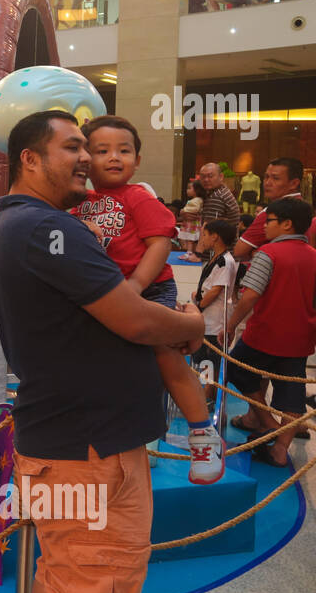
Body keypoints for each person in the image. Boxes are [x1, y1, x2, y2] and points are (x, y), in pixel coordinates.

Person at [0, 110, 204, 593]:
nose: (87, 157)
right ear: (29, 160)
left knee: (63, 578)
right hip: (87, 454)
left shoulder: (31, 223)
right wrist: (192, 325)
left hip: (68, 445)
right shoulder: (47, 228)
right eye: (71, 148)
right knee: (81, 589)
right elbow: (135, 320)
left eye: (88, 146)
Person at [74, 115, 224, 484]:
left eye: (124, 151)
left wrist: (138, 285)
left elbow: (160, 244)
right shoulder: (80, 202)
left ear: (137, 160)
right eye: (102, 150)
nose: (114, 157)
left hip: (148, 288)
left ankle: (203, 434)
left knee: (165, 355)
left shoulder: (138, 196)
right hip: (109, 294)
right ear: (84, 158)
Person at [225, 199, 316, 467]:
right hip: (300, 337)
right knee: (291, 392)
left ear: (286, 224)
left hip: (265, 333)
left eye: (269, 221)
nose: (264, 226)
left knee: (238, 370)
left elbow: (250, 296)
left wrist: (231, 324)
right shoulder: (315, 256)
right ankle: (280, 448)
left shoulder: (268, 253)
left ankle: (268, 424)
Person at [192, 219, 239, 397]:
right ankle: (206, 391)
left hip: (215, 319)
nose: (202, 238)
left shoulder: (225, 261)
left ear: (215, 237)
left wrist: (199, 305)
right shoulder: (216, 258)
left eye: (205, 234)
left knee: (211, 358)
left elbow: (217, 289)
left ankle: (209, 394)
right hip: (207, 317)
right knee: (204, 357)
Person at [234, 157, 303, 263]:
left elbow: (238, 251)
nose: (267, 183)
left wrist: (258, 253)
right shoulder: (304, 206)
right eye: (266, 177)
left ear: (294, 183)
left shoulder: (272, 212)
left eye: (275, 178)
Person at [198, 161, 241, 235]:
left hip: (221, 244)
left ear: (221, 177)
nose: (206, 180)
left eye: (210, 176)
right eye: (203, 177)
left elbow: (209, 230)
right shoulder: (220, 191)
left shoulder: (217, 196)